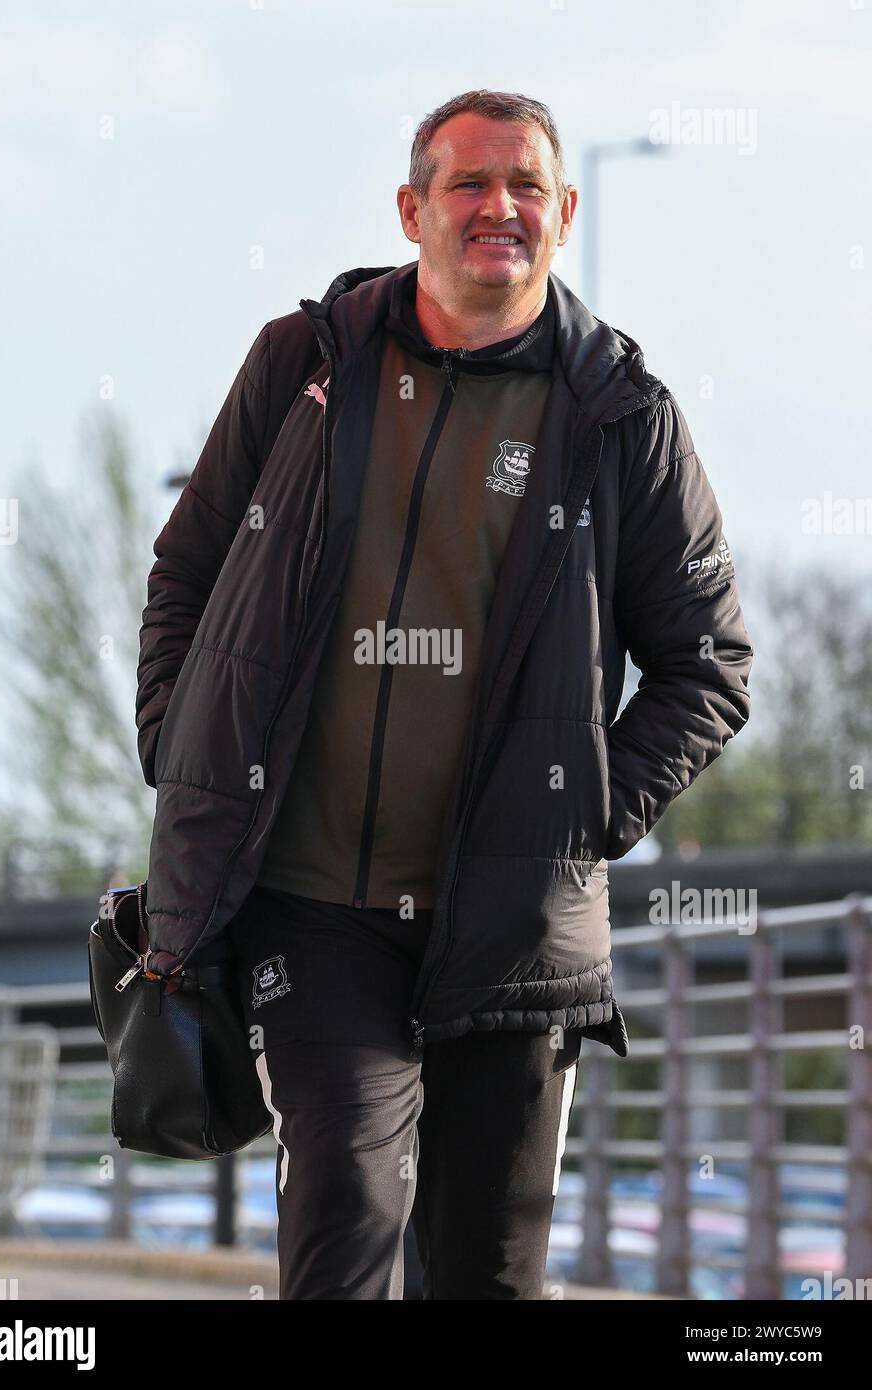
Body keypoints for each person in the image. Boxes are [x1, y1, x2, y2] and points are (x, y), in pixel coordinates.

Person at [135, 89, 754, 1299]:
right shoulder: (306, 362)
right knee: (345, 1211)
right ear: (411, 208)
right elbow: (189, 570)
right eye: (468, 183)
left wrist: (581, 815)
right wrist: (180, 741)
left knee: (488, 1269)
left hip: (513, 922)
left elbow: (708, 665)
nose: (498, 208)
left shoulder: (621, 415)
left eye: (525, 185)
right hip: (315, 905)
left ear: (564, 212)